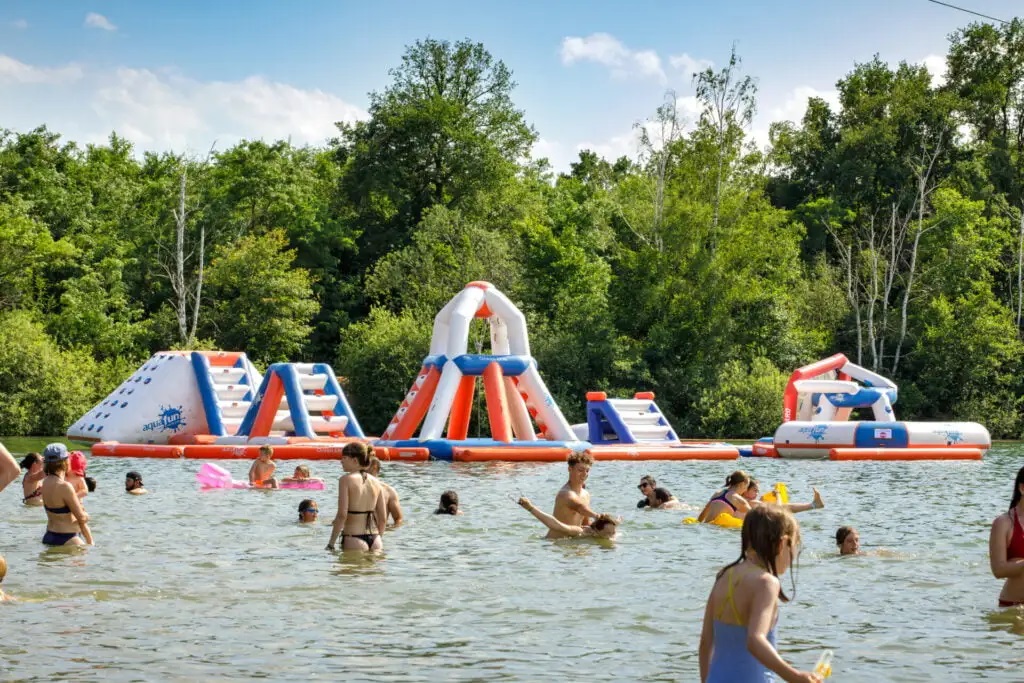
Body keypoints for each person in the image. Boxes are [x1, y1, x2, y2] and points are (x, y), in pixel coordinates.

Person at [699, 506, 821, 683]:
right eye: (793, 547)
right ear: (781, 543)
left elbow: (705, 643)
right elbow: (755, 640)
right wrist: (794, 676)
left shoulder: (724, 575)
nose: (793, 555)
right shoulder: (766, 583)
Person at [326, 442, 386, 552]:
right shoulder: (377, 482)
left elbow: (342, 515)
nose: (341, 461)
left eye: (344, 457)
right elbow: (382, 518)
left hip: (354, 538)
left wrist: (331, 543)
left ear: (355, 460)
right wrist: (379, 538)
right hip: (376, 539)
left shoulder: (346, 480)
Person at [39, 443, 93, 546]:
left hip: (49, 536)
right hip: (68, 538)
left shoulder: (44, 483)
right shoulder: (65, 486)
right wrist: (87, 515)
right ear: (65, 462)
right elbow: (81, 518)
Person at [989, 465, 1024, 607]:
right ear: (1022, 488)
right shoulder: (1004, 523)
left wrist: (1017, 563)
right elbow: (998, 570)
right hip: (1014, 607)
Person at [550, 451, 601, 539]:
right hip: (557, 544)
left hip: (573, 540)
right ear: (570, 469)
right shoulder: (565, 494)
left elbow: (585, 523)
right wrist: (598, 516)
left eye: (587, 471)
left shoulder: (586, 494)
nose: (584, 474)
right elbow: (580, 508)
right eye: (580, 470)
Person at [518, 496, 618, 539]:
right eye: (608, 534)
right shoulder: (580, 532)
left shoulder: (610, 530)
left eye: (613, 532)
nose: (612, 536)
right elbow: (557, 526)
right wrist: (530, 508)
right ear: (596, 530)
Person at [742, 479, 826, 516]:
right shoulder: (752, 502)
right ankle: (814, 505)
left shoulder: (744, 500)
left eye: (757, 491)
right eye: (754, 490)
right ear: (745, 490)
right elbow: (779, 508)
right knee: (784, 506)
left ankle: (814, 504)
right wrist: (778, 494)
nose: (757, 493)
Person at [367, 455, 404, 527]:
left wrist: (387, 531)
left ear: (374, 467)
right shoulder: (355, 486)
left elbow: (398, 519)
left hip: (378, 533)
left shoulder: (389, 491)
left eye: (363, 465)